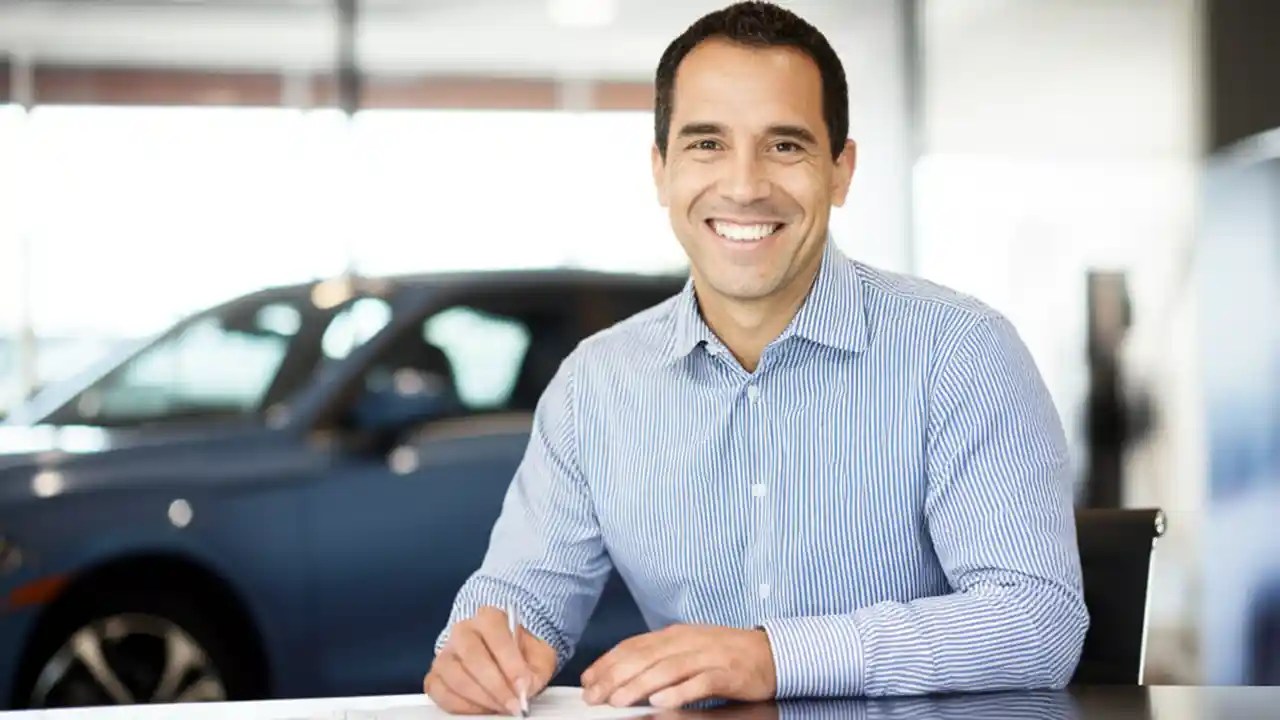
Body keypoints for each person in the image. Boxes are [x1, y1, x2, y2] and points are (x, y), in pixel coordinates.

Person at [423, 1, 1088, 713]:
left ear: (841, 170)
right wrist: (482, 649)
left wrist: (775, 655)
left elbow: (1036, 623)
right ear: (661, 170)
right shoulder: (596, 387)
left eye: (785, 146)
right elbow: (521, 600)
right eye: (707, 144)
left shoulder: (960, 353)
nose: (743, 185)